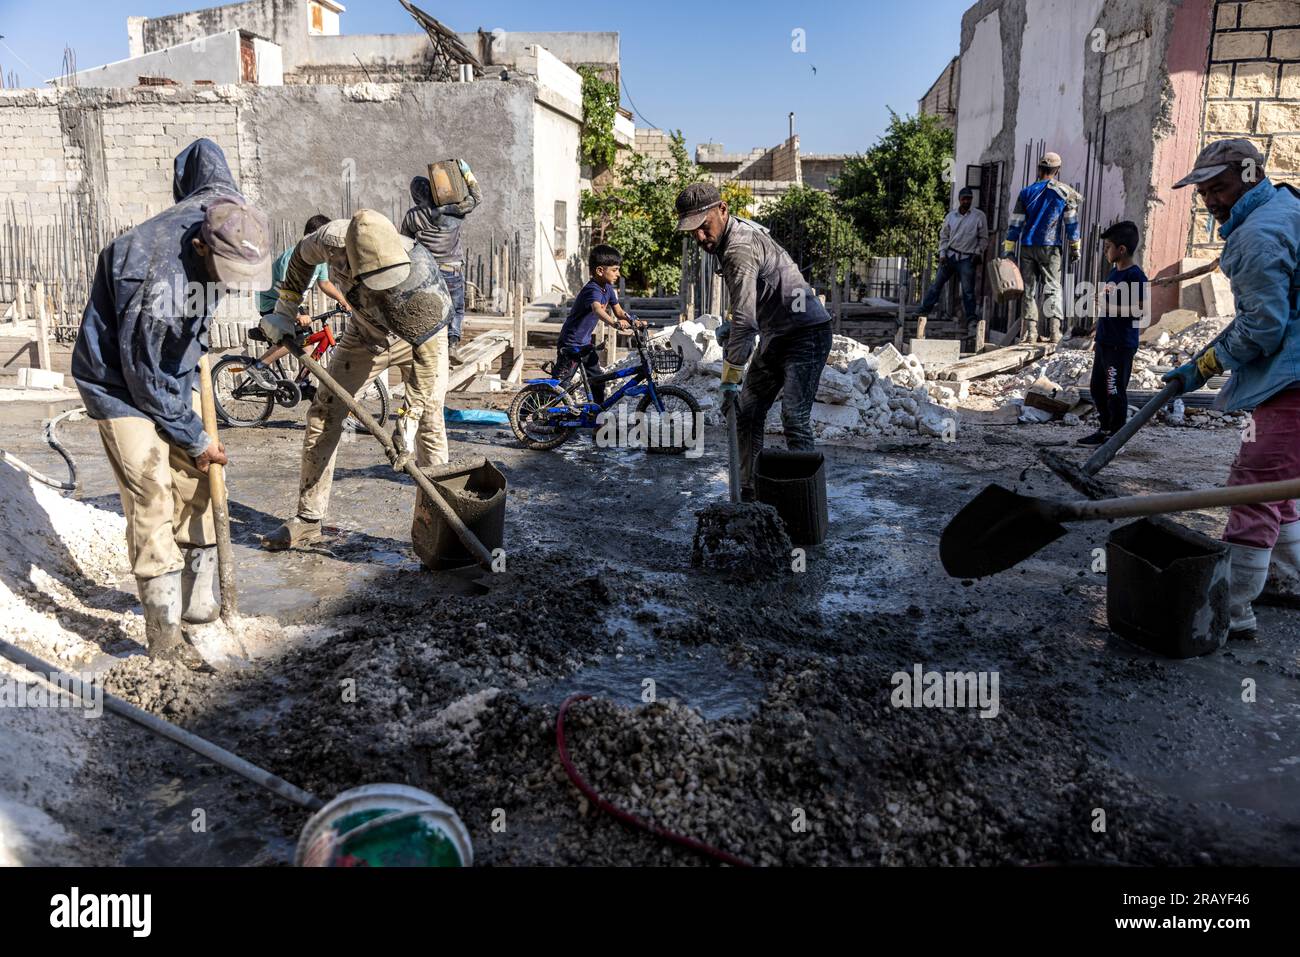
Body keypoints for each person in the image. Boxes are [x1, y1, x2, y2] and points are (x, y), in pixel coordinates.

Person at [71, 139, 271, 670]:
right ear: (202, 248)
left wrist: (194, 432)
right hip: (119, 384)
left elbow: (173, 355)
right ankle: (165, 638)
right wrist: (197, 435)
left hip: (170, 369)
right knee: (154, 491)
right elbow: (144, 376)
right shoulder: (153, 271)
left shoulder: (230, 211)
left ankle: (200, 602)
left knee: (198, 482)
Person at [1163, 139, 1300, 640]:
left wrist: (1203, 366)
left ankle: (1231, 611)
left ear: (1250, 175)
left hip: (1292, 382)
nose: (1210, 201)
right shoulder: (1288, 204)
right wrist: (1198, 363)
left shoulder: (1257, 236)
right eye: (1203, 191)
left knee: (1255, 488)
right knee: (1282, 490)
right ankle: (1288, 580)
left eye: (1218, 188)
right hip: (1291, 374)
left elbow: (1264, 327)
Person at [260, 210, 453, 551]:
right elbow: (301, 263)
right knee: (324, 413)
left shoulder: (421, 276)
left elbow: (425, 366)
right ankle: (308, 519)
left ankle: (440, 526)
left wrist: (406, 421)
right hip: (365, 335)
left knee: (429, 424)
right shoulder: (330, 239)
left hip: (418, 341)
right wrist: (285, 309)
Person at [676, 182, 833, 500]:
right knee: (747, 411)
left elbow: (748, 322)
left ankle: (807, 502)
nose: (700, 238)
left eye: (704, 228)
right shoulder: (728, 242)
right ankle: (750, 490)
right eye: (693, 232)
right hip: (776, 333)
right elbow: (750, 308)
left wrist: (730, 376)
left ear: (722, 210)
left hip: (806, 334)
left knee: (794, 417)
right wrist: (733, 325)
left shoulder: (738, 248)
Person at [246, 214, 352, 383]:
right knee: (295, 338)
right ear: (314, 238)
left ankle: (302, 383)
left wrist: (343, 300)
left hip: (292, 301)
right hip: (273, 300)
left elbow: (324, 283)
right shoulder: (291, 258)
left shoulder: (320, 260)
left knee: (308, 347)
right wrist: (296, 315)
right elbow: (284, 291)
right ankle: (258, 366)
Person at [400, 160, 482, 367]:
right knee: (456, 309)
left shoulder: (412, 215)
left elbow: (405, 244)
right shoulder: (450, 210)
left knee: (433, 311)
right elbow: (476, 198)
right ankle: (452, 344)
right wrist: (467, 174)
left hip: (427, 272)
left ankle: (430, 350)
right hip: (451, 268)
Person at [1078, 221, 1147, 447]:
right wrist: (1098, 325)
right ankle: (1105, 429)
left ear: (1122, 250)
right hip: (1105, 341)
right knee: (1097, 389)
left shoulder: (1135, 276)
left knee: (1114, 390)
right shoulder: (1113, 273)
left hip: (1121, 344)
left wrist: (1110, 309)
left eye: (1108, 246)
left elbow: (1140, 310)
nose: (1105, 251)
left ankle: (1116, 438)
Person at [1003, 151, 1081, 343]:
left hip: (1028, 246)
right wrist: (1075, 247)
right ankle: (1055, 332)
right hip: (1050, 247)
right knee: (1053, 287)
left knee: (1029, 289)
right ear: (1057, 170)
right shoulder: (1063, 193)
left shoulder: (1026, 192)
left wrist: (1009, 250)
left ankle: (1030, 332)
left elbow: (1015, 223)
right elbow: (1071, 223)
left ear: (1039, 169)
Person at [553, 244, 642, 406]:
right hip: (571, 344)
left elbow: (620, 312)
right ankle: (526, 412)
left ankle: (597, 418)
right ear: (600, 271)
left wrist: (635, 322)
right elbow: (597, 309)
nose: (618, 274)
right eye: (614, 270)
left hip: (585, 345)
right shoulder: (592, 290)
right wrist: (614, 324)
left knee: (598, 381)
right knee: (560, 385)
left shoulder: (608, 289)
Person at [914, 186, 988, 320]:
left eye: (969, 199)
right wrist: (942, 254)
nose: (966, 201)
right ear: (959, 200)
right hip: (950, 255)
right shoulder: (951, 216)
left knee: (968, 290)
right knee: (936, 285)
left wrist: (978, 252)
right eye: (964, 199)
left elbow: (983, 238)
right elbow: (944, 236)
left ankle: (971, 317)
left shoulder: (979, 216)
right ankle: (923, 310)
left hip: (967, 257)